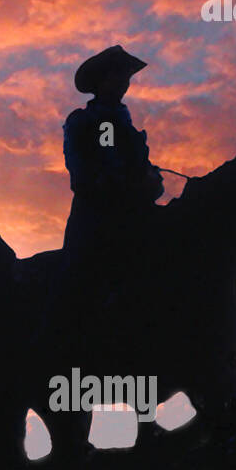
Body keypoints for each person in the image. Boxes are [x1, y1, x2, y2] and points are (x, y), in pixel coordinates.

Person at [61, 45, 162, 288]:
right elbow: (82, 175)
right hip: (97, 217)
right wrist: (121, 184)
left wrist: (151, 177)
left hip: (137, 211)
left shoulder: (125, 125)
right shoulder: (82, 121)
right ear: (101, 81)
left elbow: (137, 167)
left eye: (125, 77)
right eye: (117, 75)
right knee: (78, 281)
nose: (123, 83)